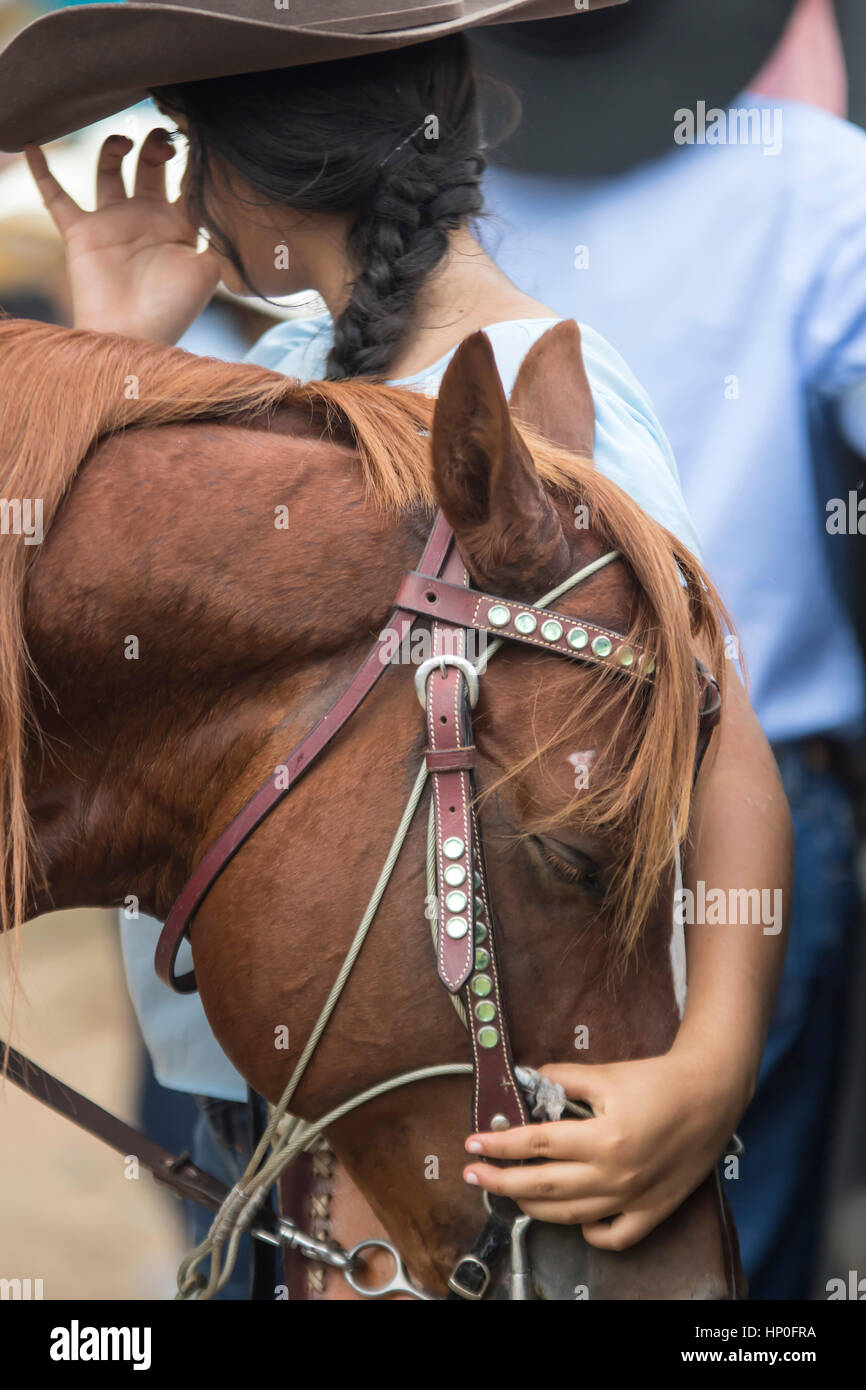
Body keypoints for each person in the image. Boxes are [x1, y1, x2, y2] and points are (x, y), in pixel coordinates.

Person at [24, 34, 791, 1297]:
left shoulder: (554, 397)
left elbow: (722, 737)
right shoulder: (283, 380)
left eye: (186, 140)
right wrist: (121, 348)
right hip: (268, 1142)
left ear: (241, 179)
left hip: (435, 1166)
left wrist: (711, 1066)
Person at [471, 0, 866, 1297]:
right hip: (762, 800)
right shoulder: (813, 182)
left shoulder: (418, 194)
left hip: (469, 798)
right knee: (735, 1258)